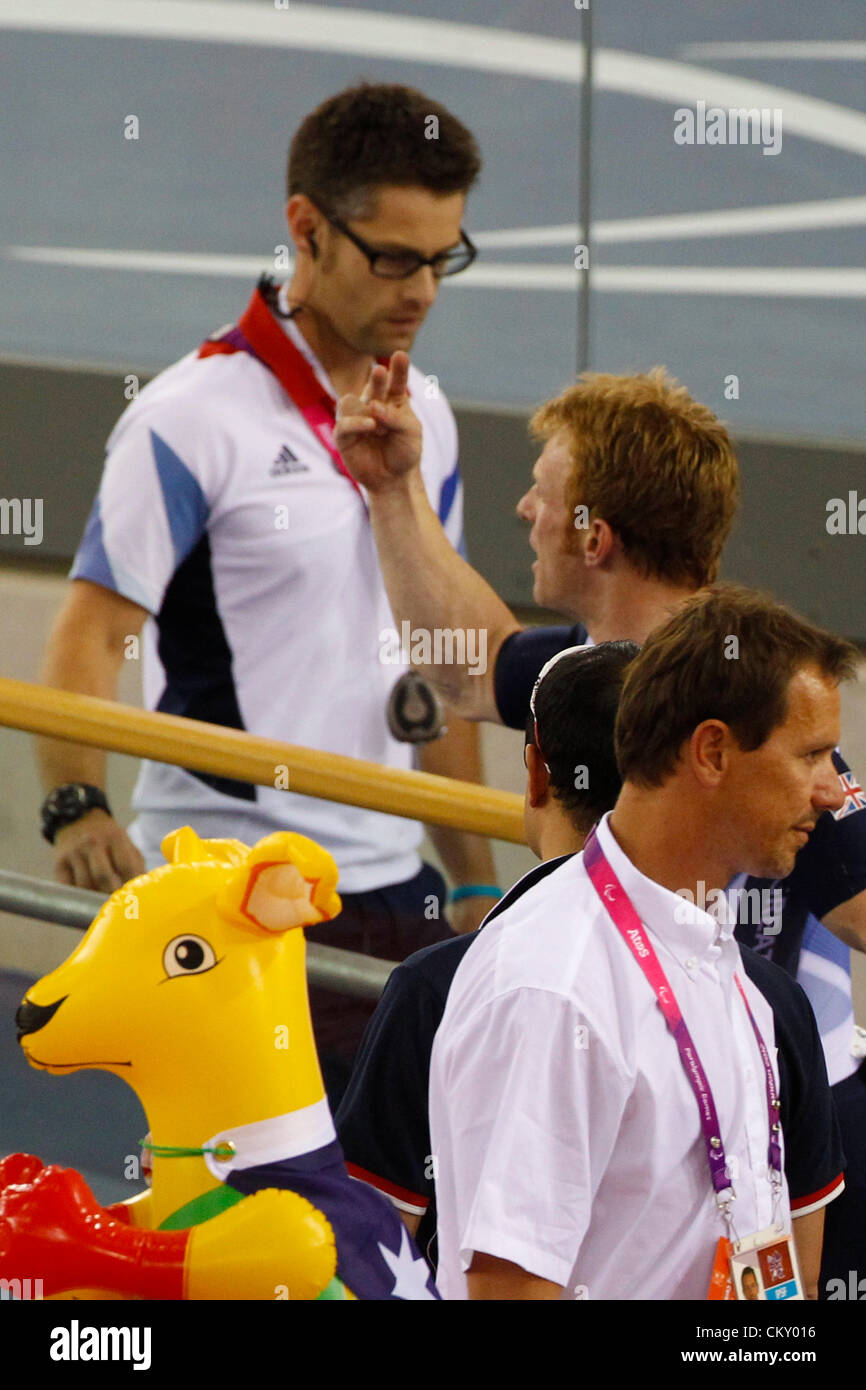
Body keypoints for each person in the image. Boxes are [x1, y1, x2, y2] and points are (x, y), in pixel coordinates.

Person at [334, 353, 866, 1290]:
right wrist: (391, 491)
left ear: (597, 537)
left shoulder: (764, 734)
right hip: (640, 1113)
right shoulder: (576, 676)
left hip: (779, 1125)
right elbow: (465, 666)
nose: (523, 512)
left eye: (542, 492)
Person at [35, 83, 500, 1106]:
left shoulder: (425, 411)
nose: (422, 290)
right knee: (244, 1227)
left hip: (394, 881)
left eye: (442, 258)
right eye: (393, 257)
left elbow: (436, 667)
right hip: (229, 883)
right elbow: (92, 631)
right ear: (306, 229)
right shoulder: (190, 418)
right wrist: (75, 806)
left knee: (397, 1226)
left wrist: (468, 872)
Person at [337, 640, 844, 1297]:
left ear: (535, 773)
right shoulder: (535, 983)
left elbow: (366, 1258)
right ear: (705, 759)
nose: (833, 790)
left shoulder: (747, 990)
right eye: (809, 755)